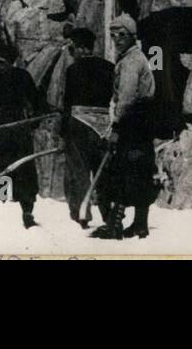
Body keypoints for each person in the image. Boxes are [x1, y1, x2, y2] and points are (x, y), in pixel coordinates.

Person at [93, 14, 158, 240]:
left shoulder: (131, 62)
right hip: (142, 122)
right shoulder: (136, 57)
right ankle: (140, 224)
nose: (117, 40)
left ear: (132, 36)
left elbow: (127, 98)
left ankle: (114, 225)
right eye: (113, 36)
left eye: (122, 35)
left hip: (133, 122)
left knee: (122, 171)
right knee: (141, 171)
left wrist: (117, 127)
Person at [0, 37, 45, 228]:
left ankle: (7, 206)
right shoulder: (23, 76)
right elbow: (37, 103)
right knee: (22, 168)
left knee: (3, 169)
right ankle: (26, 209)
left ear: (2, 61)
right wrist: (34, 123)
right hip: (18, 128)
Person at [60, 27, 114, 228]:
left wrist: (63, 131)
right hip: (103, 124)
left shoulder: (73, 70)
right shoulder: (110, 67)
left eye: (74, 49)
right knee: (103, 170)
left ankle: (81, 215)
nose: (73, 53)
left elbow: (68, 102)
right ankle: (109, 213)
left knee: (79, 170)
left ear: (81, 49)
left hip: (79, 123)